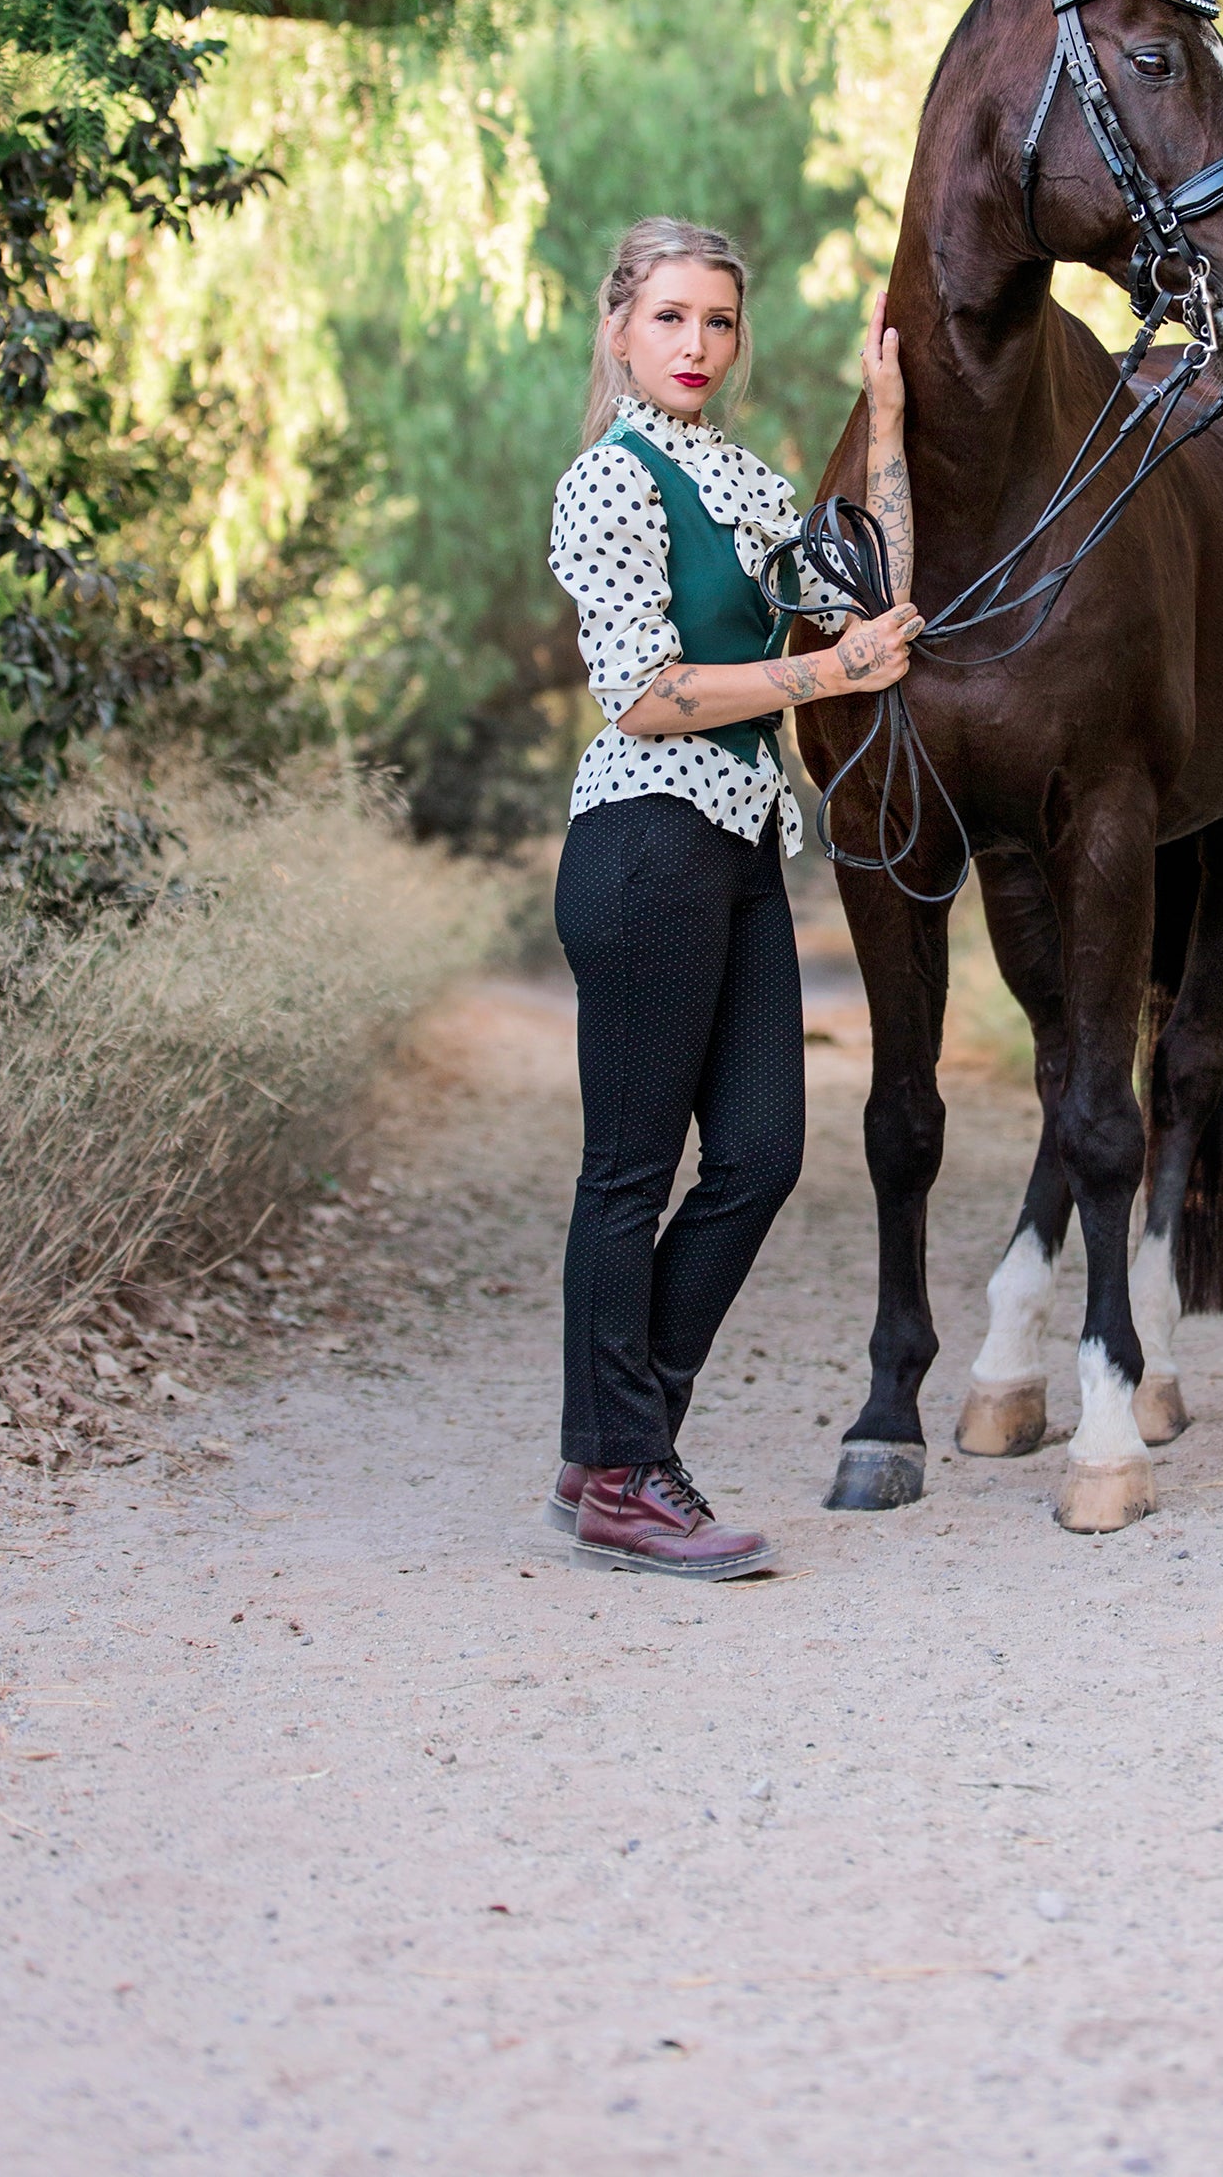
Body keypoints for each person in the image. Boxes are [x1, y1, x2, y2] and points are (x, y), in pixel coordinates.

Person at [545, 217, 921, 1577]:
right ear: (619, 329)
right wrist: (831, 679)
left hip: (747, 839)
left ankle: (611, 1447)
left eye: (718, 322)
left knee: (761, 1155)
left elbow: (871, 576)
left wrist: (883, 422)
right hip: (646, 841)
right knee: (629, 1173)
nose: (697, 344)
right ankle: (629, 1469)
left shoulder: (743, 477)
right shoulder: (609, 484)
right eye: (670, 319)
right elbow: (646, 696)